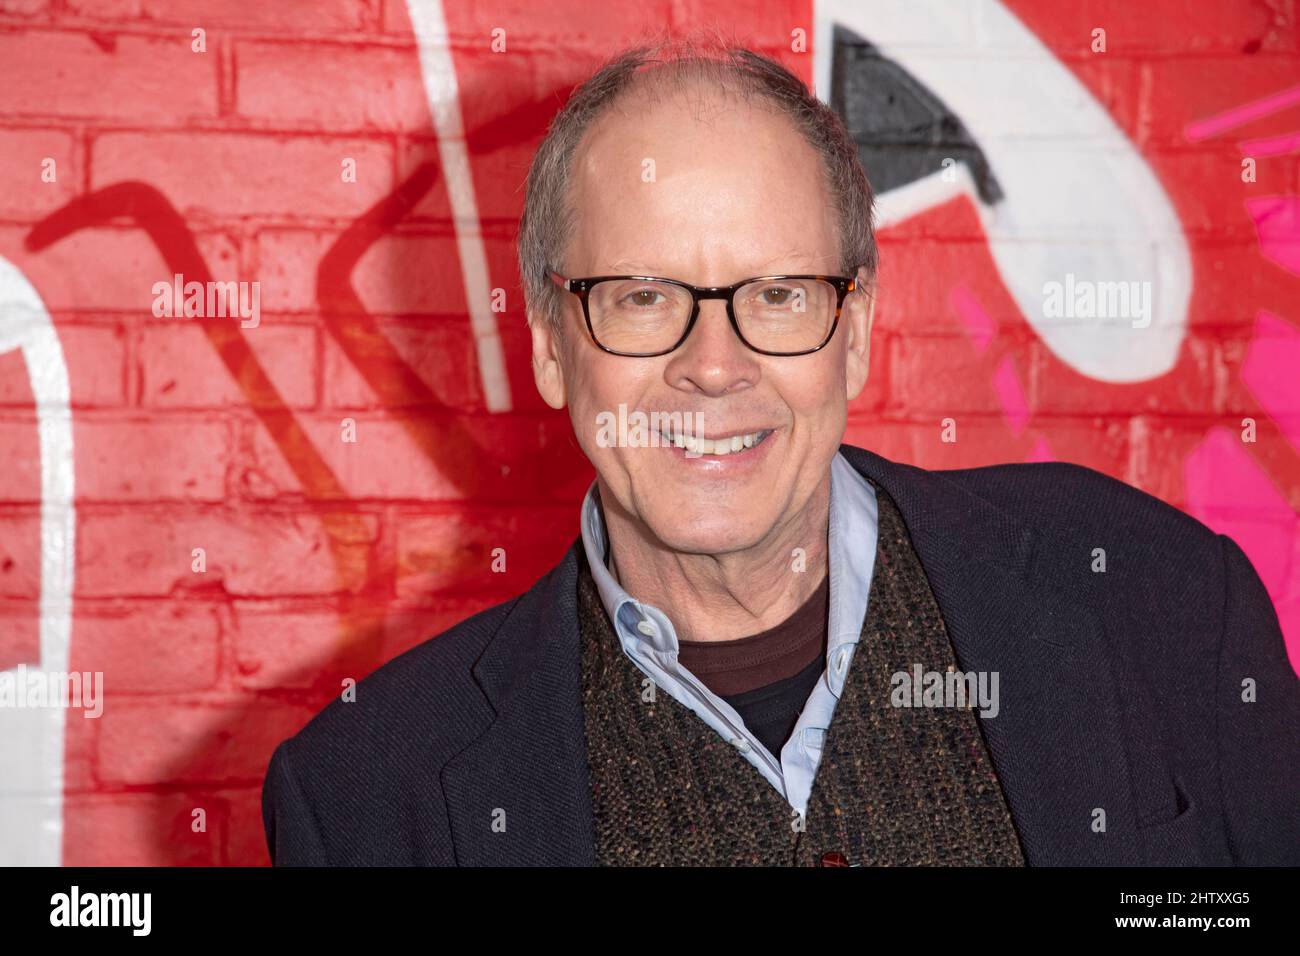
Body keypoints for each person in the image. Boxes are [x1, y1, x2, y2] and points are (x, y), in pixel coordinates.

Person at [262, 37, 1300, 866]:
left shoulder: (1158, 598)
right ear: (549, 348)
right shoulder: (366, 793)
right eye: (641, 297)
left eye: (778, 294)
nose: (714, 365)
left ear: (852, 335)